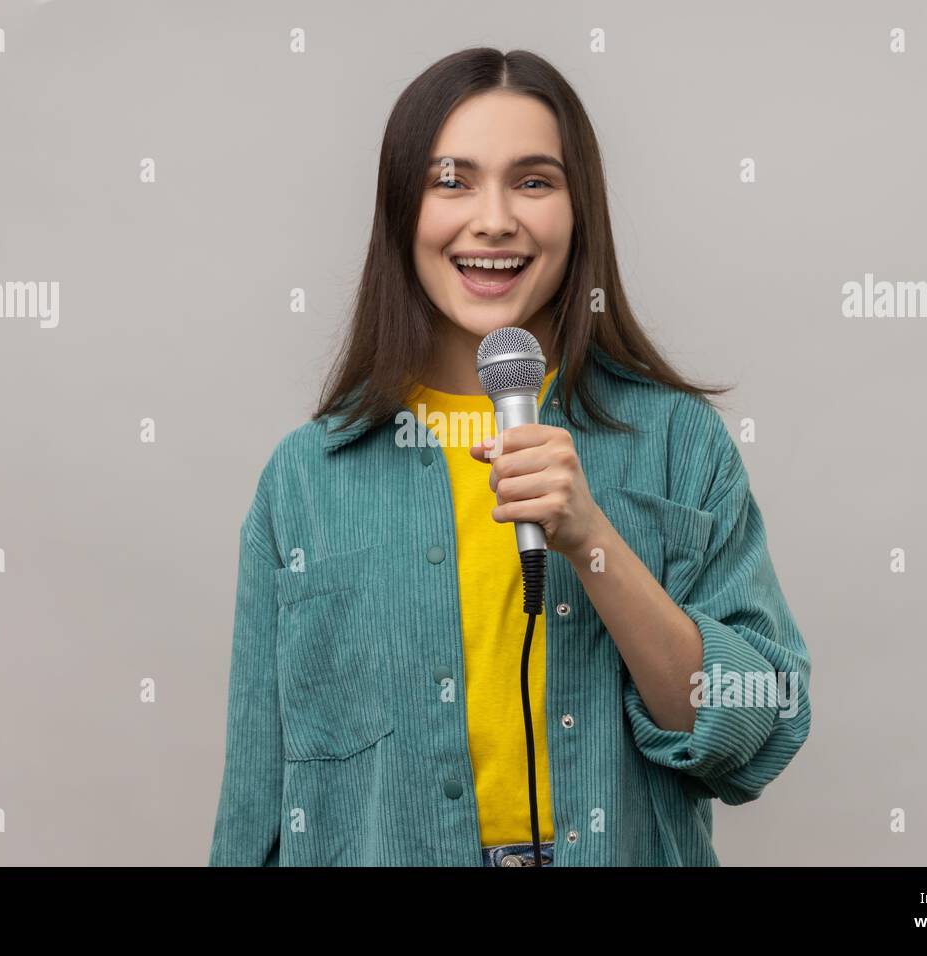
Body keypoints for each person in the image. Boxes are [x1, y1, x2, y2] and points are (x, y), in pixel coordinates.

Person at [209, 47, 810, 867]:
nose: (494, 220)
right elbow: (256, 805)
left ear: (579, 212)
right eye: (452, 182)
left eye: (533, 181)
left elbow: (754, 731)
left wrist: (591, 540)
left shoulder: (677, 443)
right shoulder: (305, 481)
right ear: (403, 211)